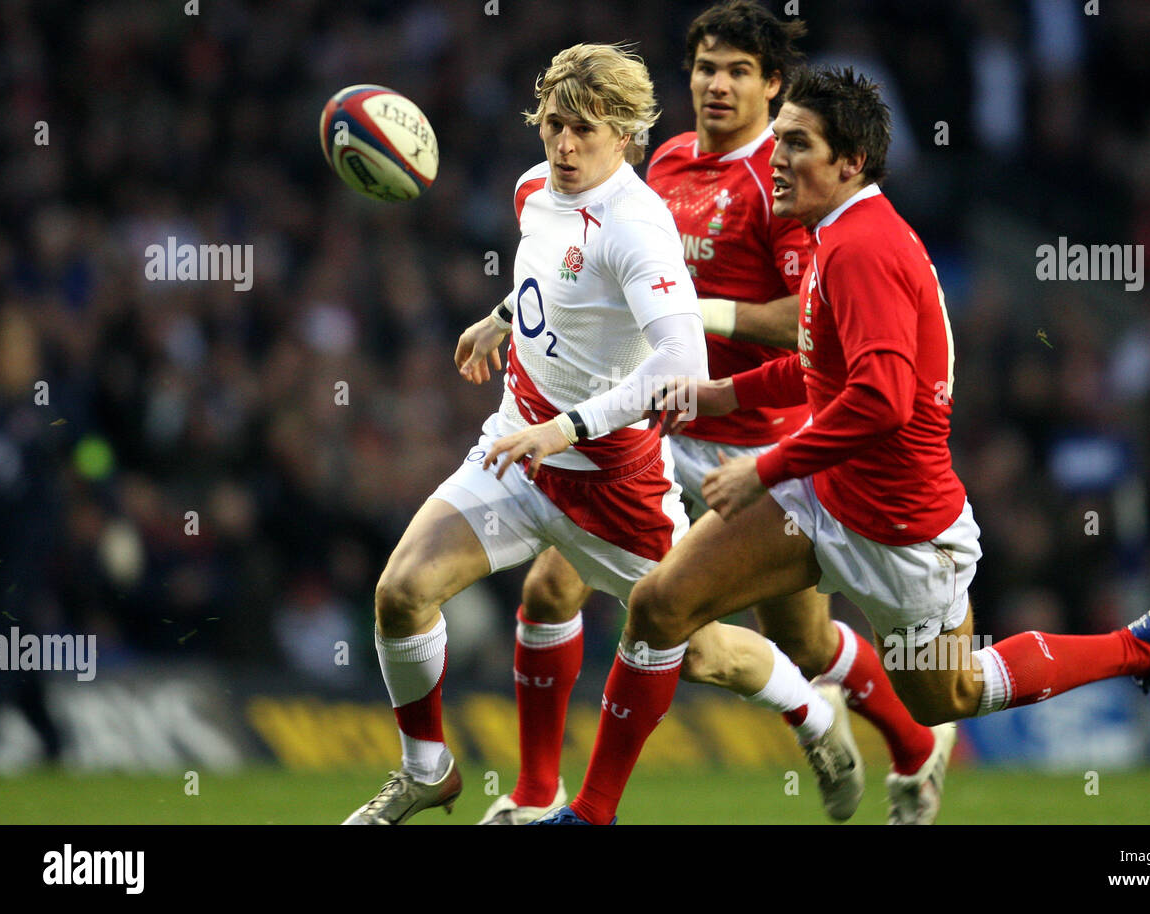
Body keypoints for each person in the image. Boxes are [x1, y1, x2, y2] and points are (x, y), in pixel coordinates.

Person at [539, 66, 1150, 826]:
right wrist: (732, 395)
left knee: (950, 695)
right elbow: (820, 367)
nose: (777, 159)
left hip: (903, 532)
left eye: (797, 144)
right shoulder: (837, 237)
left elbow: (883, 399)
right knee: (661, 605)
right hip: (821, 497)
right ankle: (591, 814)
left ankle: (1142, 646)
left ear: (850, 161)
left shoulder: (864, 246)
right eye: (778, 142)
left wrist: (764, 465)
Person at [342, 42, 852, 825]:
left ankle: (810, 713)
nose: (566, 145)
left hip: (614, 484)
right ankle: (428, 770)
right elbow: (550, 275)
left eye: (585, 129)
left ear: (626, 135)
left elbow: (680, 359)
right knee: (401, 594)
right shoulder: (532, 191)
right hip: (517, 450)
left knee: (707, 650)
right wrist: (501, 319)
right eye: (553, 125)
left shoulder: (640, 228)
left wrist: (567, 429)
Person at [482, 0, 951, 827]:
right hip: (660, 427)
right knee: (555, 589)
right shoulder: (659, 164)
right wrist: (509, 314)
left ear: (774, 87)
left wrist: (690, 313)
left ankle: (910, 743)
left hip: (759, 436)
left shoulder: (785, 181)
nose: (718, 85)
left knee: (802, 643)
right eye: (705, 67)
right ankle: (535, 796)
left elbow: (809, 323)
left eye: (740, 71)